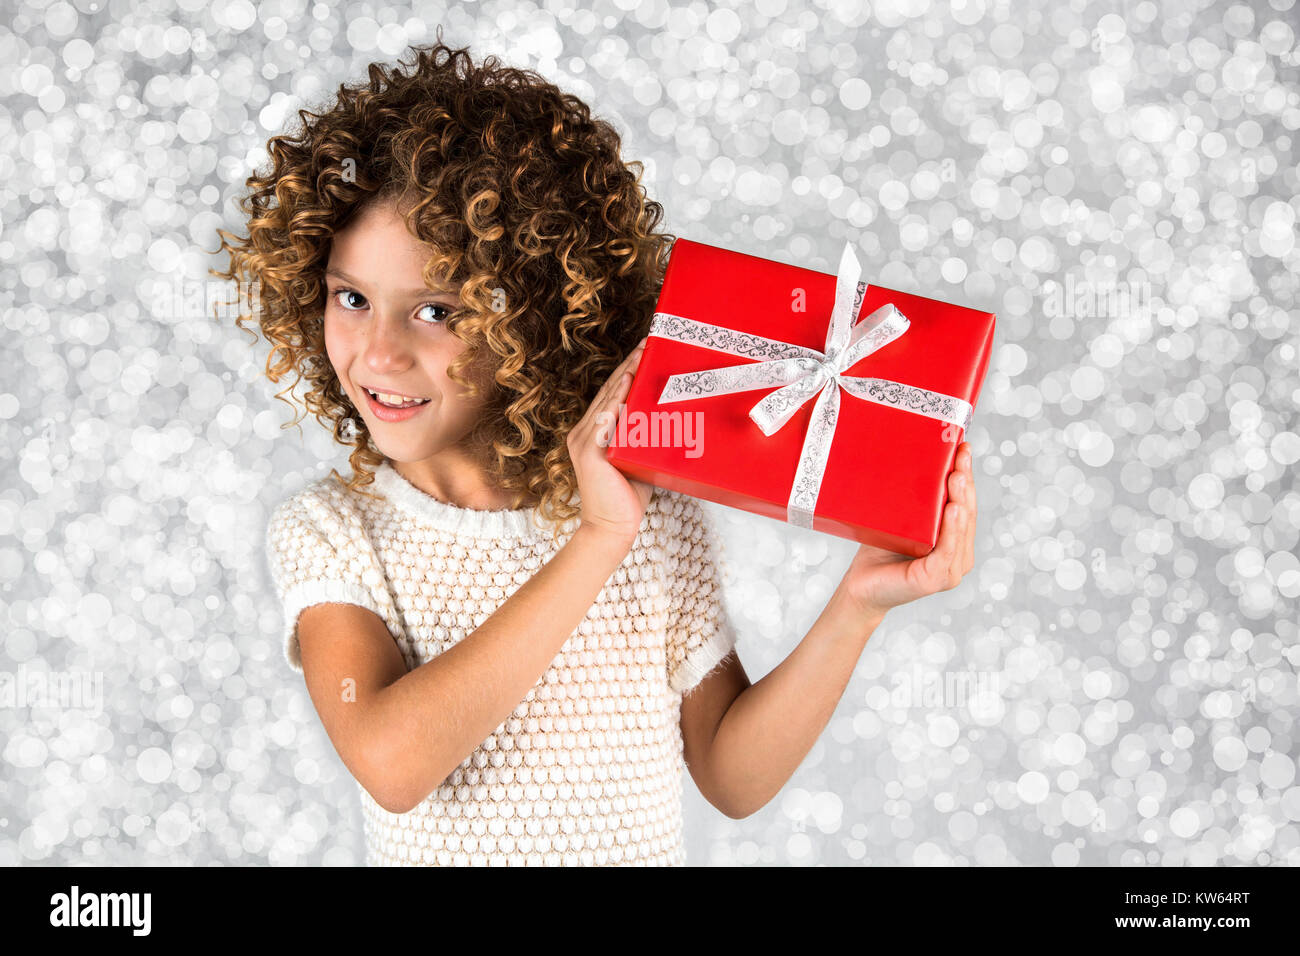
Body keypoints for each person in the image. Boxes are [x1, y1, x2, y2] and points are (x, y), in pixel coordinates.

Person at [214, 35, 978, 866]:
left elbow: (732, 776)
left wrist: (859, 604)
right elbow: (394, 764)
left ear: (537, 318)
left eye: (436, 310)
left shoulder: (651, 511)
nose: (380, 353)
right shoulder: (333, 529)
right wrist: (597, 541)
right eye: (352, 298)